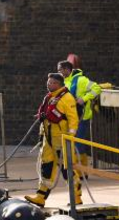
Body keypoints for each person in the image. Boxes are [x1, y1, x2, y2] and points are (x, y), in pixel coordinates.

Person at [25, 72, 83, 207]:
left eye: (51, 82)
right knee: (46, 167)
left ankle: (76, 197)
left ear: (58, 84)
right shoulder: (50, 97)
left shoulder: (67, 98)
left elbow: (73, 118)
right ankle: (40, 196)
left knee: (67, 168)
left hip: (62, 139)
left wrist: (70, 136)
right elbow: (46, 118)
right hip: (48, 139)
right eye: (48, 82)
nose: (48, 84)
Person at [58, 59, 103, 173]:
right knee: (72, 144)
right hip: (68, 117)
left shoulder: (81, 80)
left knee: (78, 144)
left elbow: (96, 88)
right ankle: (77, 169)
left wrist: (84, 99)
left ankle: (82, 170)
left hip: (82, 117)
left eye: (60, 70)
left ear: (67, 69)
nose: (59, 73)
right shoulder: (63, 82)